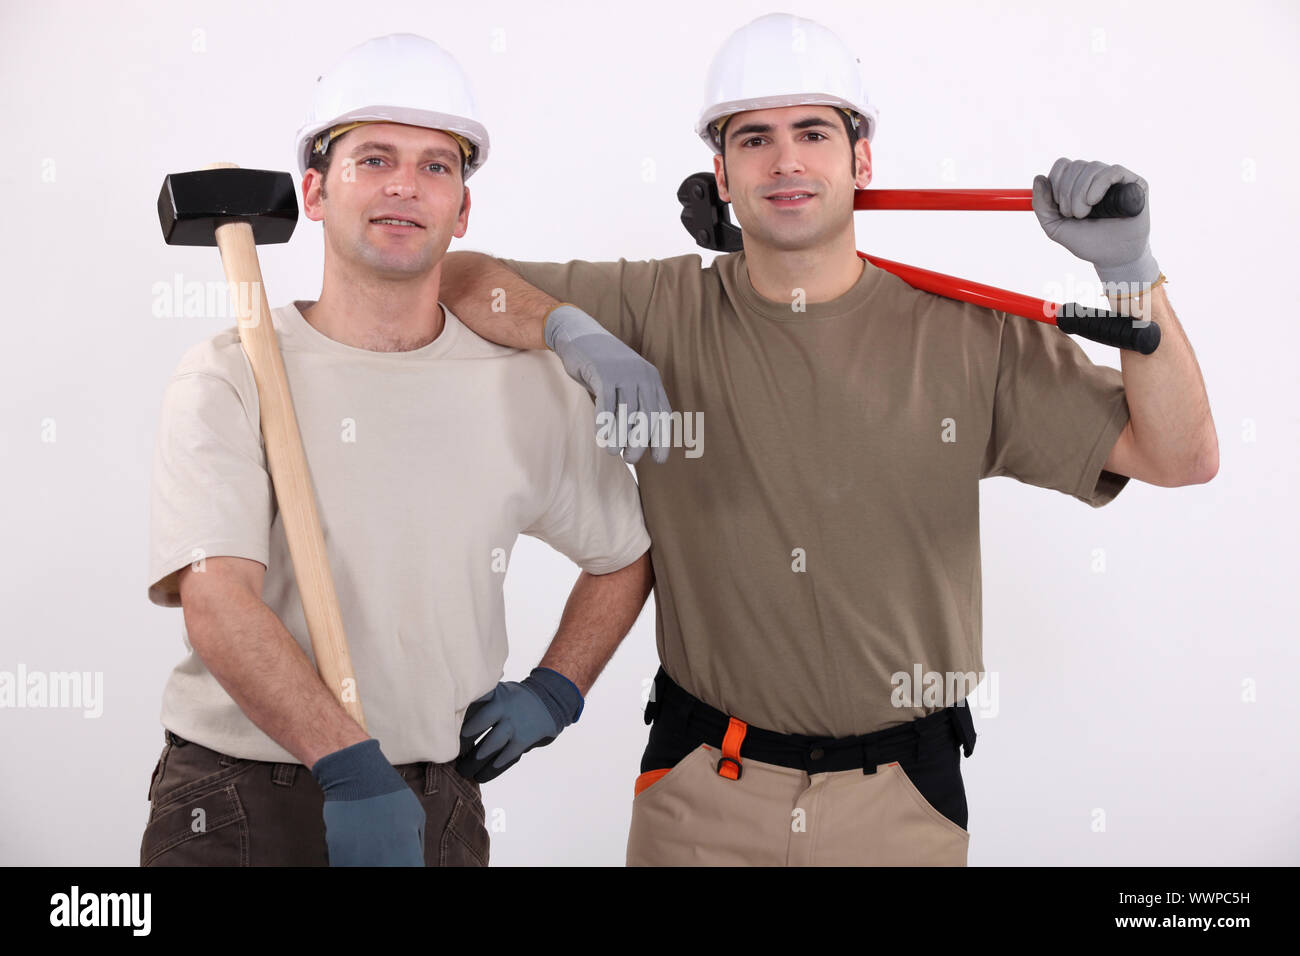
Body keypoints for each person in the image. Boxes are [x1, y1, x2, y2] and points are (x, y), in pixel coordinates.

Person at [437, 12, 1218, 866]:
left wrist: (1132, 275)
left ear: (862, 160)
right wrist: (570, 332)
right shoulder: (661, 307)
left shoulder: (970, 335)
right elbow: (461, 277)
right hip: (701, 786)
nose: (786, 160)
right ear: (721, 174)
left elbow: (1179, 456)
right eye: (754, 139)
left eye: (812, 132)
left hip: (901, 801)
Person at [141, 33, 652, 867]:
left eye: (436, 166)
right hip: (241, 799)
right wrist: (345, 764)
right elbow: (218, 603)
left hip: (436, 798)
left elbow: (624, 555)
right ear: (314, 192)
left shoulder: (524, 387)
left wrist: (557, 691)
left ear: (463, 210)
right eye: (374, 159)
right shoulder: (231, 373)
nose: (405, 186)